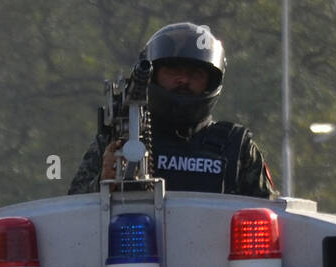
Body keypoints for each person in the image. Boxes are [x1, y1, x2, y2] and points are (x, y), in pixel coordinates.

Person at [68, 22, 276, 198]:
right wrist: (103, 182)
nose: (183, 80)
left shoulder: (237, 146)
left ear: (210, 82)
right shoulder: (119, 140)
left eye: (195, 73)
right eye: (173, 70)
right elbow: (72, 213)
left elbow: (269, 214)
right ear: (154, 75)